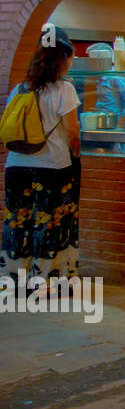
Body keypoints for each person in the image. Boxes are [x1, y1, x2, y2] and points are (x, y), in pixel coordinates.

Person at [2, 28, 81, 286]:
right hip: (52, 166)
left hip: (16, 165)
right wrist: (76, 153)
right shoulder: (64, 89)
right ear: (62, 59)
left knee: (18, 219)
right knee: (51, 222)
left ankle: (13, 277)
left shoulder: (19, 89)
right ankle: (47, 281)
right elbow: (72, 130)